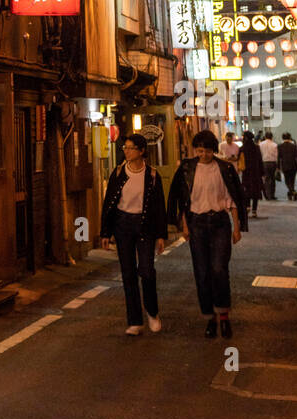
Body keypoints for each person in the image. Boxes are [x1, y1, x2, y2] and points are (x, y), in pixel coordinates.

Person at [167, 129, 248, 339]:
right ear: (196, 150)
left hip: (220, 222)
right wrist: (184, 225)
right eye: (200, 151)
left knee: (219, 269)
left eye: (207, 151)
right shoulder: (187, 168)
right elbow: (183, 199)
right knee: (201, 271)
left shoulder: (224, 169)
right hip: (197, 224)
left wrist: (237, 227)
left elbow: (233, 199)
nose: (203, 155)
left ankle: (224, 316)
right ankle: (209, 317)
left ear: (214, 150)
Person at [100, 133, 168, 335]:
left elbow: (158, 208)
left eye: (130, 148)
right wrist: (106, 232)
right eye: (125, 148)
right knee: (128, 273)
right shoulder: (119, 172)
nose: (127, 151)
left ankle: (152, 312)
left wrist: (161, 235)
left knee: (146, 271)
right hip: (123, 224)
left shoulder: (153, 175)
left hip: (144, 224)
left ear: (141, 151)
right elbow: (108, 204)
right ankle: (134, 321)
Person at [238, 130, 264, 217]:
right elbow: (260, 161)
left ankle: (248, 206)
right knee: (255, 192)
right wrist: (262, 173)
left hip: (246, 173)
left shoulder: (242, 148)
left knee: (246, 190)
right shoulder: (256, 148)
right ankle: (254, 210)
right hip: (256, 173)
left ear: (245, 138)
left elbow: (239, 160)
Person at [278, 132, 297, 201]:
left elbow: (279, 157)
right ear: (290, 137)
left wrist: (278, 167)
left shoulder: (280, 146)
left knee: (287, 181)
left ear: (283, 138)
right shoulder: (293, 146)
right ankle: (291, 192)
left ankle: (292, 192)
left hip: (285, 165)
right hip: (293, 165)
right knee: (292, 180)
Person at [258, 130, 279, 200]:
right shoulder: (275, 145)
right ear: (272, 137)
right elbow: (276, 155)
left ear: (265, 137)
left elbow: (259, 154)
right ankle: (272, 195)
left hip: (264, 162)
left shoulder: (261, 144)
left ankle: (267, 195)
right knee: (273, 179)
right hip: (273, 163)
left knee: (266, 179)